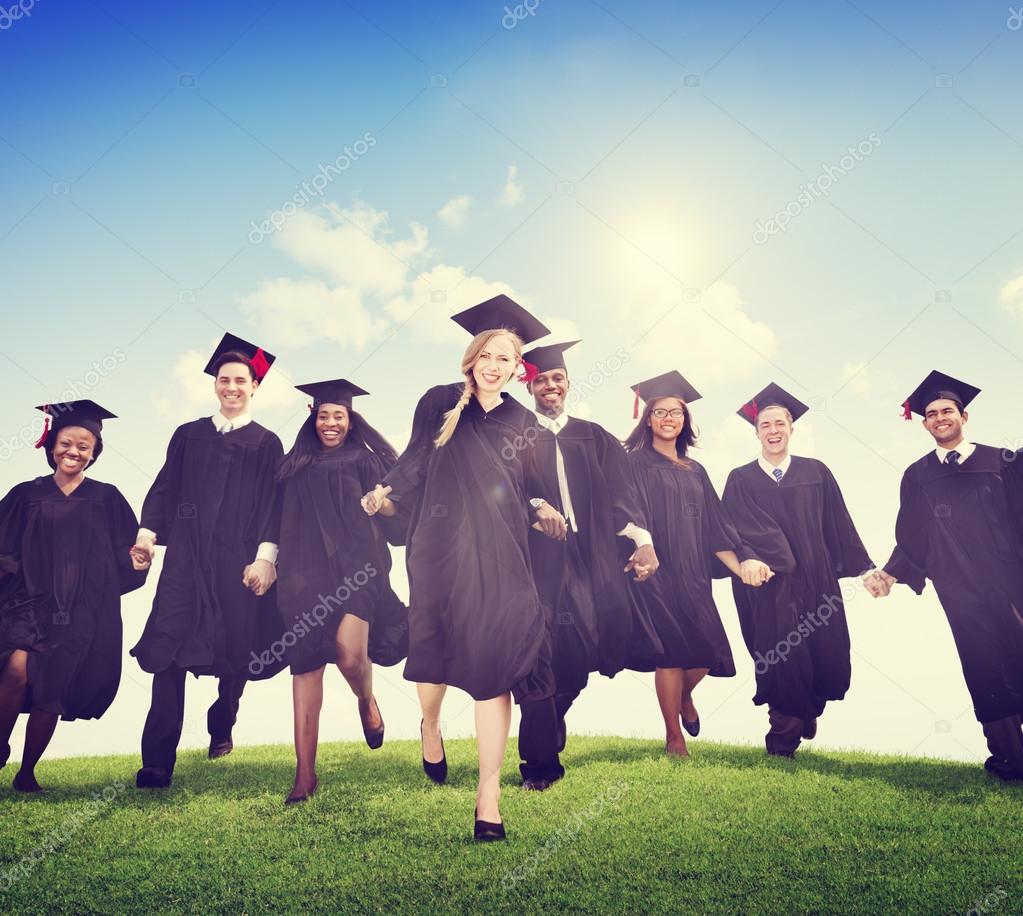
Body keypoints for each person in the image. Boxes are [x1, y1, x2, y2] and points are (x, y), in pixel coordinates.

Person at [362, 294, 566, 841]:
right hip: (439, 546)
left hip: (502, 555)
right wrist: (385, 493)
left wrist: (547, 511)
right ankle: (430, 723)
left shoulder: (530, 426)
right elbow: (414, 460)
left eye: (507, 358)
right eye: (488, 355)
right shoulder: (439, 402)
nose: (495, 366)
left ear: (518, 366)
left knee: (494, 666)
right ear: (472, 356)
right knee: (435, 662)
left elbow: (539, 494)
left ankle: (489, 797)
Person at [131, 333, 285, 789]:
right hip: (185, 561)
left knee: (233, 650)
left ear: (254, 386)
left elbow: (273, 505)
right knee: (167, 652)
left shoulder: (266, 443)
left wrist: (265, 558)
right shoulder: (188, 435)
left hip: (236, 562)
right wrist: (146, 534)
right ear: (215, 384)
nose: (231, 387)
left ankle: (223, 722)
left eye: (241, 380)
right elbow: (164, 487)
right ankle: (157, 761)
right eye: (224, 379)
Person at [516, 339, 660, 790]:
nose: (550, 386)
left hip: (586, 555)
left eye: (557, 379)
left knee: (579, 651)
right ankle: (539, 765)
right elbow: (499, 490)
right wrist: (532, 509)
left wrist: (642, 540)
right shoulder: (513, 435)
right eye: (541, 380)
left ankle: (552, 715)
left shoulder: (593, 435)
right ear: (530, 386)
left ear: (568, 383)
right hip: (533, 558)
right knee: (538, 653)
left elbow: (623, 492)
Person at [722, 383, 886, 758]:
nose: (773, 430)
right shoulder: (740, 479)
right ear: (756, 431)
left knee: (824, 655)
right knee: (782, 658)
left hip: (816, 582)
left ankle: (808, 708)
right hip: (770, 588)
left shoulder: (816, 472)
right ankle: (783, 738)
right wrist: (748, 558)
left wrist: (865, 570)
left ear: (792, 427)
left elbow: (839, 525)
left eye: (780, 423)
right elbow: (728, 531)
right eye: (765, 425)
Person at [877, 371, 1023, 781]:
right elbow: (912, 535)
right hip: (960, 591)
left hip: (1012, 581)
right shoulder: (918, 475)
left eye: (947, 411)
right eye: (932, 414)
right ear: (923, 423)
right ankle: (1012, 759)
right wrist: (889, 574)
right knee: (984, 667)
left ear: (964, 416)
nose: (940, 417)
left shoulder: (1005, 462)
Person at [0, 400, 148, 791]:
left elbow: (126, 553)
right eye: (67, 442)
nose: (74, 451)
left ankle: (27, 771)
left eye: (84, 445)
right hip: (28, 604)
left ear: (94, 452)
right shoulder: (25, 495)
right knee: (15, 668)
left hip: (82, 610)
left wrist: (137, 561)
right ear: (52, 446)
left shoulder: (107, 498)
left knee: (53, 690)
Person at [273, 378, 408, 805]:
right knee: (306, 667)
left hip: (358, 568)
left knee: (350, 654)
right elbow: (274, 519)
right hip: (302, 574)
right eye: (324, 415)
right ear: (312, 416)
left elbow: (396, 519)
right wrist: (268, 561)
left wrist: (381, 504)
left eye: (339, 416)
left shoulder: (366, 462)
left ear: (351, 421)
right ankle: (304, 776)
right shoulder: (293, 465)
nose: (331, 423)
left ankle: (366, 700)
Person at [623, 371, 747, 758]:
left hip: (693, 571)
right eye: (660, 412)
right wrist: (643, 550)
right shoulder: (633, 464)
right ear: (648, 419)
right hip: (657, 570)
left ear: (685, 420)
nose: (668, 419)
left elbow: (716, 525)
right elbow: (626, 511)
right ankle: (673, 736)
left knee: (707, 651)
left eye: (676, 412)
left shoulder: (697, 471)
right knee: (671, 653)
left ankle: (685, 697)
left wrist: (741, 566)